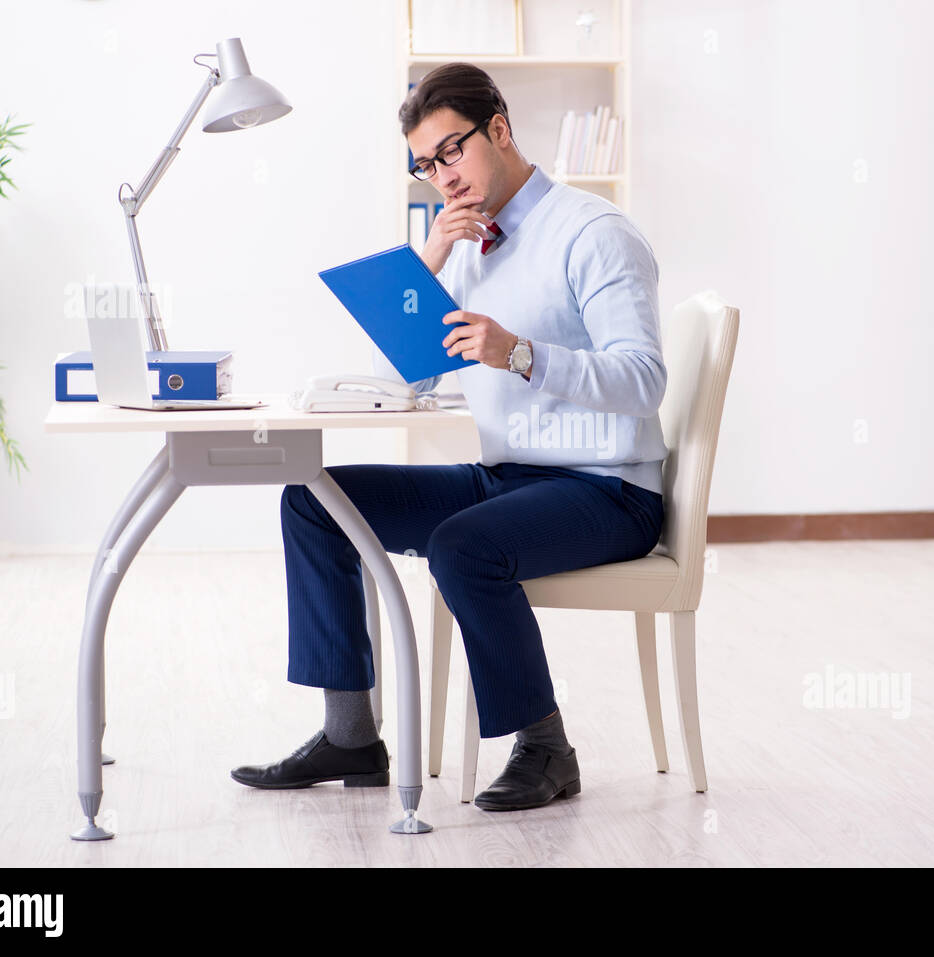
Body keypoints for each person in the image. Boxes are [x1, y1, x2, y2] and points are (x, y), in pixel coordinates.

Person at [231, 63, 668, 811]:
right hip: (508, 475)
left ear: (499, 129)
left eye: (452, 152)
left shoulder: (594, 232)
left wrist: (520, 353)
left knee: (462, 546)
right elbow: (406, 384)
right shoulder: (464, 244)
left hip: (608, 487)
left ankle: (545, 746)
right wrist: (428, 264)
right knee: (317, 499)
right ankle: (351, 736)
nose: (443, 176)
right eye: (426, 165)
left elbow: (644, 379)